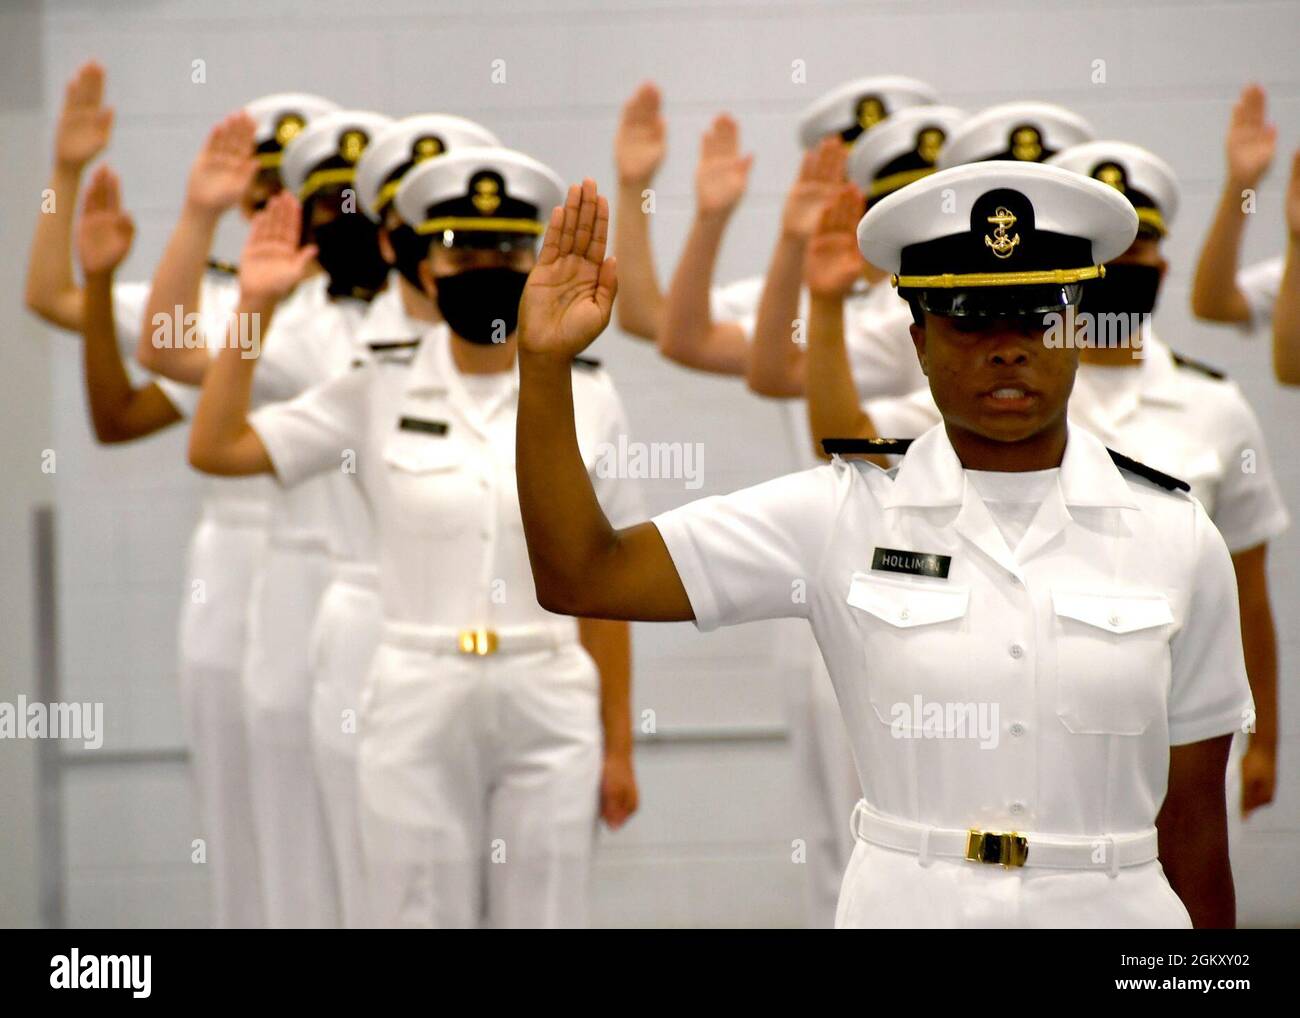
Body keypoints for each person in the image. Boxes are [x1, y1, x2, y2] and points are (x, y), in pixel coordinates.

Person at [513, 167, 1251, 928]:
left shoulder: (1176, 536)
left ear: (1077, 325)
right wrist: (542, 366)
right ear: (920, 340)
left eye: (1036, 315)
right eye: (970, 317)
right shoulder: (843, 514)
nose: (1006, 348)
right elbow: (583, 574)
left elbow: (1195, 826)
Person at [187, 147, 642, 929]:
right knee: (411, 912)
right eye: (463, 251)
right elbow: (217, 447)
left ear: (535, 266)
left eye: (506, 252)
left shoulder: (589, 396)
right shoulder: (375, 385)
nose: (485, 268)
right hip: (416, 685)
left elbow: (607, 582)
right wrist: (253, 308)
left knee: (550, 914)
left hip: (548, 689)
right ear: (426, 270)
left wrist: (619, 744)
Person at [305, 111, 499, 927]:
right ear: (396, 238)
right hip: (386, 629)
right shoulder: (348, 347)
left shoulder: (533, 344)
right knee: (387, 889)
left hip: (513, 646)